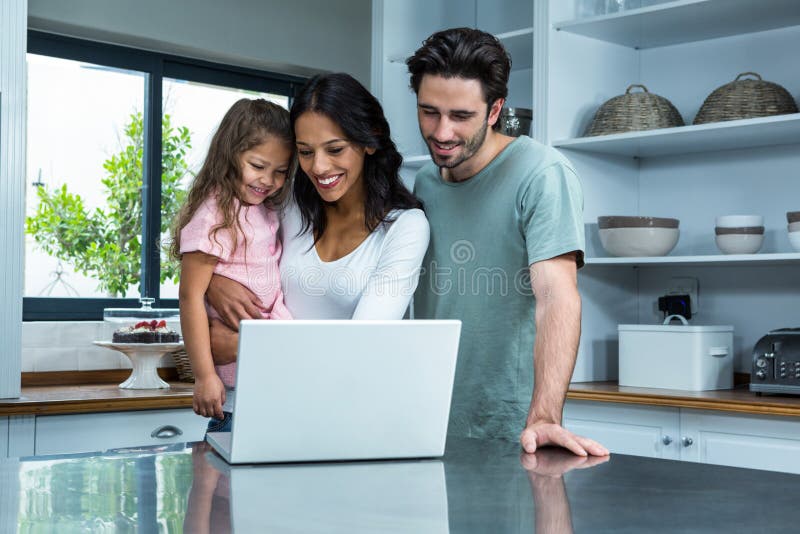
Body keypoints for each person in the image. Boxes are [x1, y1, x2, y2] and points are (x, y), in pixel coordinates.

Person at [407, 27, 608, 456]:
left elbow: (558, 297)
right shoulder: (423, 182)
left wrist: (545, 416)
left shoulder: (541, 173)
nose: (441, 132)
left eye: (461, 116)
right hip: (425, 419)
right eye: (429, 112)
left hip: (510, 429)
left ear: (495, 109)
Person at [204, 73, 429, 361]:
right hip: (260, 394)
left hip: (342, 400)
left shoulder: (405, 227)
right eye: (305, 152)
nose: (319, 167)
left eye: (335, 149)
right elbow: (205, 240)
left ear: (369, 140)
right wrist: (213, 282)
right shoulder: (287, 206)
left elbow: (362, 345)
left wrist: (243, 345)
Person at [170, 98, 293, 430]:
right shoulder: (213, 214)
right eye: (257, 165)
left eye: (280, 171)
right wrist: (205, 376)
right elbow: (189, 296)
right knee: (227, 479)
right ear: (229, 156)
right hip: (236, 387)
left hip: (270, 379)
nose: (268, 180)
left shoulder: (265, 209)